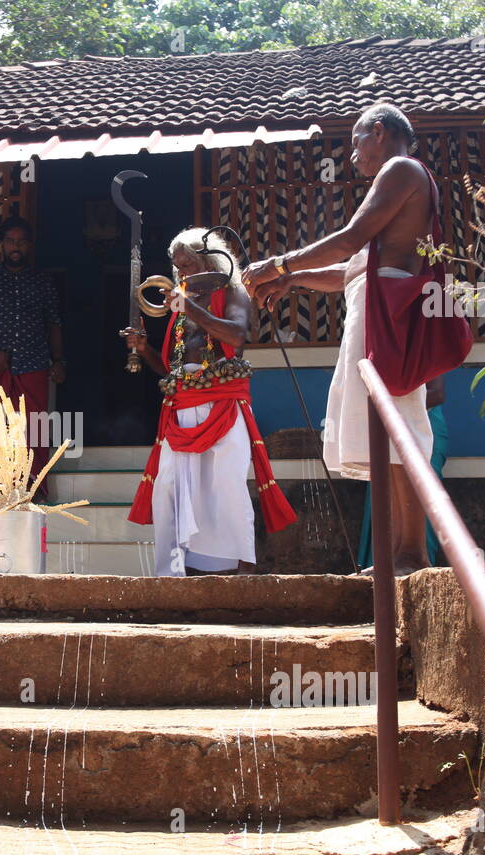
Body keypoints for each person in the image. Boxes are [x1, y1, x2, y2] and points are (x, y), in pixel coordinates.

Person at [246, 103, 436, 575]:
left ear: (378, 131)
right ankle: (398, 555)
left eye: (355, 141)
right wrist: (294, 281)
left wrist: (281, 265)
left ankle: (412, 555)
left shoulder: (401, 168)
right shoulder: (397, 178)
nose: (352, 155)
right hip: (375, 308)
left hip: (390, 313)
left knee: (399, 429)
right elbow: (351, 269)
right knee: (384, 434)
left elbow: (350, 239)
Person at [125, 228, 296, 576]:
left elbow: (235, 335)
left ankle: (239, 565)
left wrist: (188, 308)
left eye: (188, 265)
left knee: (226, 485)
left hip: (223, 402)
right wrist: (145, 351)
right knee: (170, 486)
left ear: (208, 260)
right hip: (181, 406)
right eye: (178, 268)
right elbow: (172, 368)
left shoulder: (234, 293)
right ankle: (174, 570)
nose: (183, 273)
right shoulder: (180, 301)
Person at [0, 216, 64, 498]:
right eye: (10, 240)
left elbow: (54, 323)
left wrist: (58, 361)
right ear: (2, 244)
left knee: (33, 428)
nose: (15, 246)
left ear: (29, 245)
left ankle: (34, 487)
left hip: (34, 362)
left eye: (21, 241)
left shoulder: (42, 281)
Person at [358, 375, 448, 567]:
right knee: (385, 494)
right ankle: (389, 559)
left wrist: (398, 404)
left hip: (424, 424)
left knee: (421, 493)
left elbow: (438, 393)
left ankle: (415, 559)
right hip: (389, 423)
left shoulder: (423, 347)